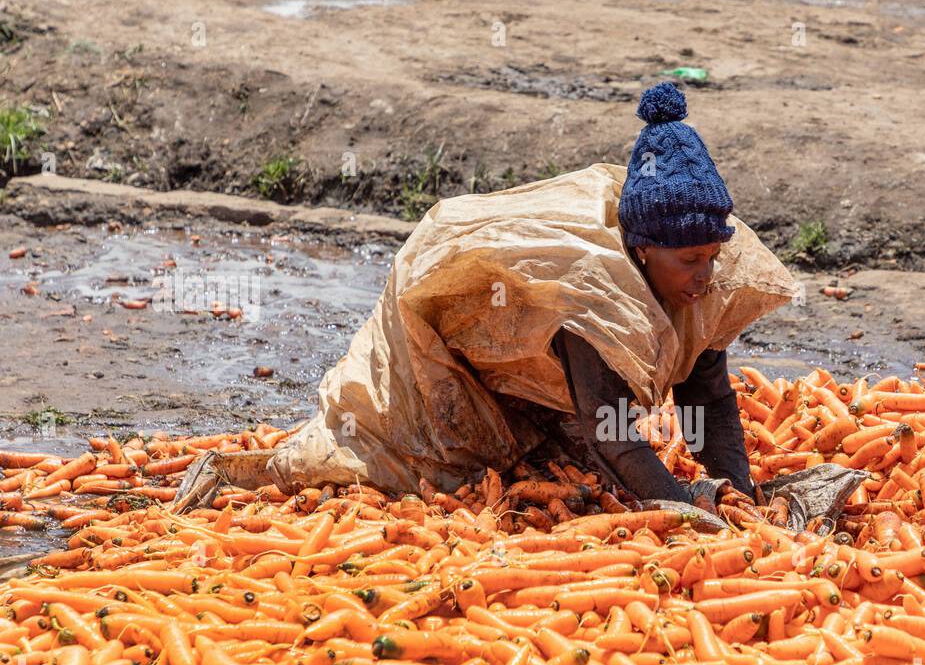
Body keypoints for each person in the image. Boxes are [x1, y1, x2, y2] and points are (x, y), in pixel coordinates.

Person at [173, 83, 796, 512]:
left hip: (528, 349)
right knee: (426, 464)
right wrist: (683, 503)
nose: (704, 276)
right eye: (689, 261)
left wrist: (735, 488)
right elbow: (614, 431)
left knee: (552, 456)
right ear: (641, 250)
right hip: (439, 322)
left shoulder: (702, 277)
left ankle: (526, 414)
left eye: (711, 257)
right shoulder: (589, 293)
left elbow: (707, 394)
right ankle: (257, 470)